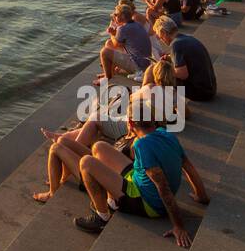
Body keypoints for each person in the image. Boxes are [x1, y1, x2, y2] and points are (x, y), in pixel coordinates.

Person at [33, 59, 178, 202]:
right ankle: (63, 173)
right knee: (68, 141)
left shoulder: (138, 145)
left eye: (129, 119)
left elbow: (156, 182)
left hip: (98, 178)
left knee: (56, 148)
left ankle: (55, 189)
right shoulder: (148, 136)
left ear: (132, 123)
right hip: (110, 167)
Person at [73, 96, 210, 244]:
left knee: (86, 162)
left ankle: (101, 216)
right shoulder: (167, 134)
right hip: (138, 181)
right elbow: (188, 166)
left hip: (146, 204)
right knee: (99, 147)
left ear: (130, 123)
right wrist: (201, 195)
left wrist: (178, 226)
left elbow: (162, 186)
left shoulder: (142, 146)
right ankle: (112, 200)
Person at [153, 17, 216, 101]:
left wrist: (163, 69)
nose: (161, 40)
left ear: (163, 32)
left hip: (200, 93)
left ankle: (159, 99)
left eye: (160, 37)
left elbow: (182, 75)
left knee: (158, 71)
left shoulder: (176, 45)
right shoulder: (187, 38)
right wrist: (170, 57)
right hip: (210, 88)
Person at [98, 6, 153, 83]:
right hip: (146, 62)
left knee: (104, 52)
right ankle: (111, 72)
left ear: (123, 16)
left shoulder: (122, 28)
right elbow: (123, 42)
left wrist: (111, 33)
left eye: (116, 14)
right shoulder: (137, 24)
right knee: (109, 43)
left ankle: (107, 78)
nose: (114, 16)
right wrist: (115, 34)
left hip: (138, 66)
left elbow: (117, 44)